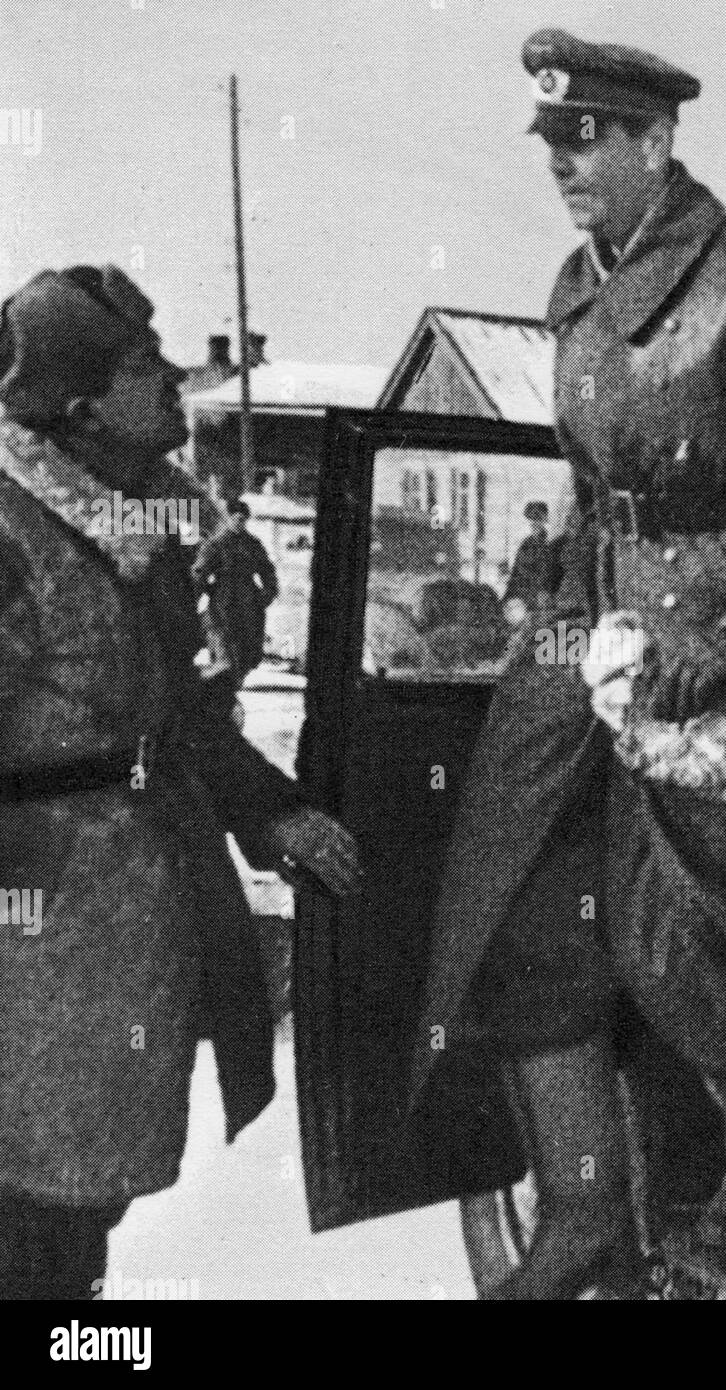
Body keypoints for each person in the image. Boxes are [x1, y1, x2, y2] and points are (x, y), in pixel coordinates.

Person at [411, 30, 726, 1298]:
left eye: (589, 138)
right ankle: (587, 1201)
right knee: (518, 903)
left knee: (660, 917)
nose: (565, 164)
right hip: (605, 647)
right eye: (553, 141)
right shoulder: (576, 290)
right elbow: (600, 490)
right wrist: (551, 604)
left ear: (656, 141)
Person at [0, 265, 359, 1299]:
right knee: (28, 1192)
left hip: (123, 915)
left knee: (78, 1192)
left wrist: (272, 809)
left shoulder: (149, 512)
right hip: (31, 918)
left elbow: (181, 708)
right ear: (78, 405)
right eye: (138, 365)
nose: (168, 379)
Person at [192, 498, 279, 687]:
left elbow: (267, 570)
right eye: (236, 519)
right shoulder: (215, 544)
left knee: (249, 642)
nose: (239, 523)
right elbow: (200, 572)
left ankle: (238, 674)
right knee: (225, 638)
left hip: (249, 598)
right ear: (228, 518)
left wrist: (267, 594)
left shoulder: (253, 544)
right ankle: (228, 677)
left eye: (243, 520)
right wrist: (198, 595)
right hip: (224, 598)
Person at [503, 499, 557, 618]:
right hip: (521, 602)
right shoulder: (525, 544)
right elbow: (515, 574)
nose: (534, 523)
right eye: (531, 519)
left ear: (544, 520)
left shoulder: (549, 545)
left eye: (538, 519)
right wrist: (506, 600)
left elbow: (549, 577)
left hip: (538, 602)